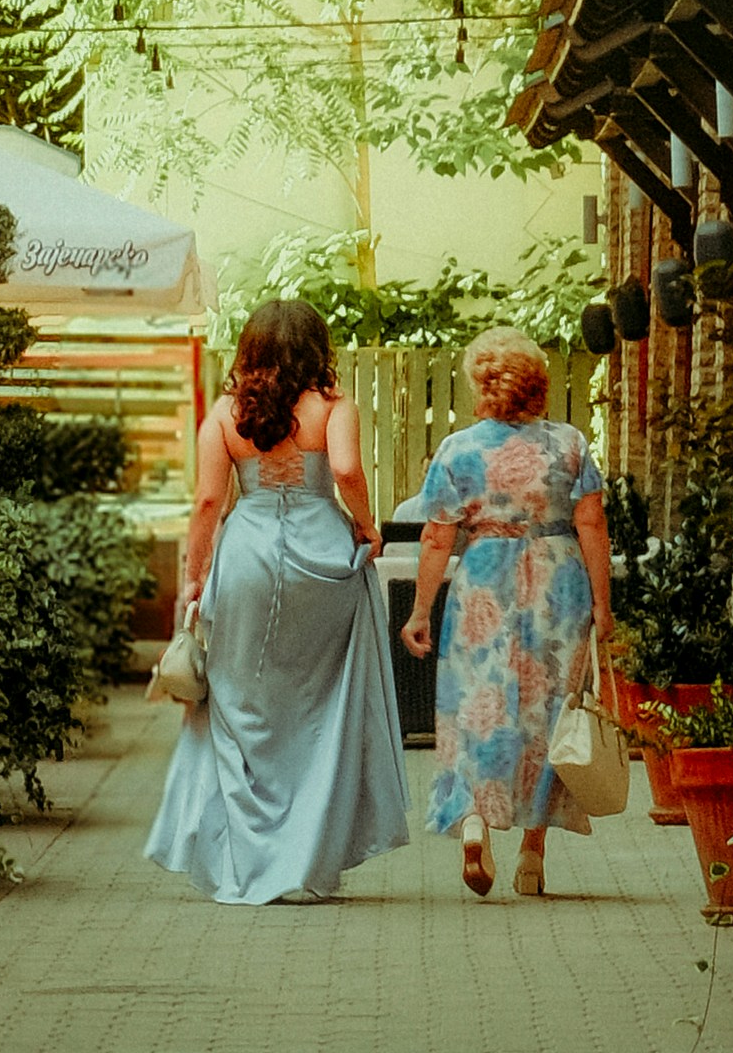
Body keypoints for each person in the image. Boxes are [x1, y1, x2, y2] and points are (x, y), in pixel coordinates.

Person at [144, 296, 410, 905]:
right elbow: (344, 469)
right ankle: (306, 863)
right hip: (321, 557)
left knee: (242, 710)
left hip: (246, 559)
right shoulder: (332, 407)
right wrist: (367, 526)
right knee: (319, 714)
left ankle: (249, 861)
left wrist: (193, 576)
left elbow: (209, 503)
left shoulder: (225, 414)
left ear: (251, 349)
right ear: (317, 349)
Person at [398, 325, 614, 897]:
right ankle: (533, 853)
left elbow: (436, 540)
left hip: (484, 584)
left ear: (482, 387)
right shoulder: (569, 445)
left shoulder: (458, 450)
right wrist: (603, 605)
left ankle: (473, 821)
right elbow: (591, 523)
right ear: (538, 385)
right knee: (548, 712)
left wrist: (420, 611)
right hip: (558, 586)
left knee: (477, 705)